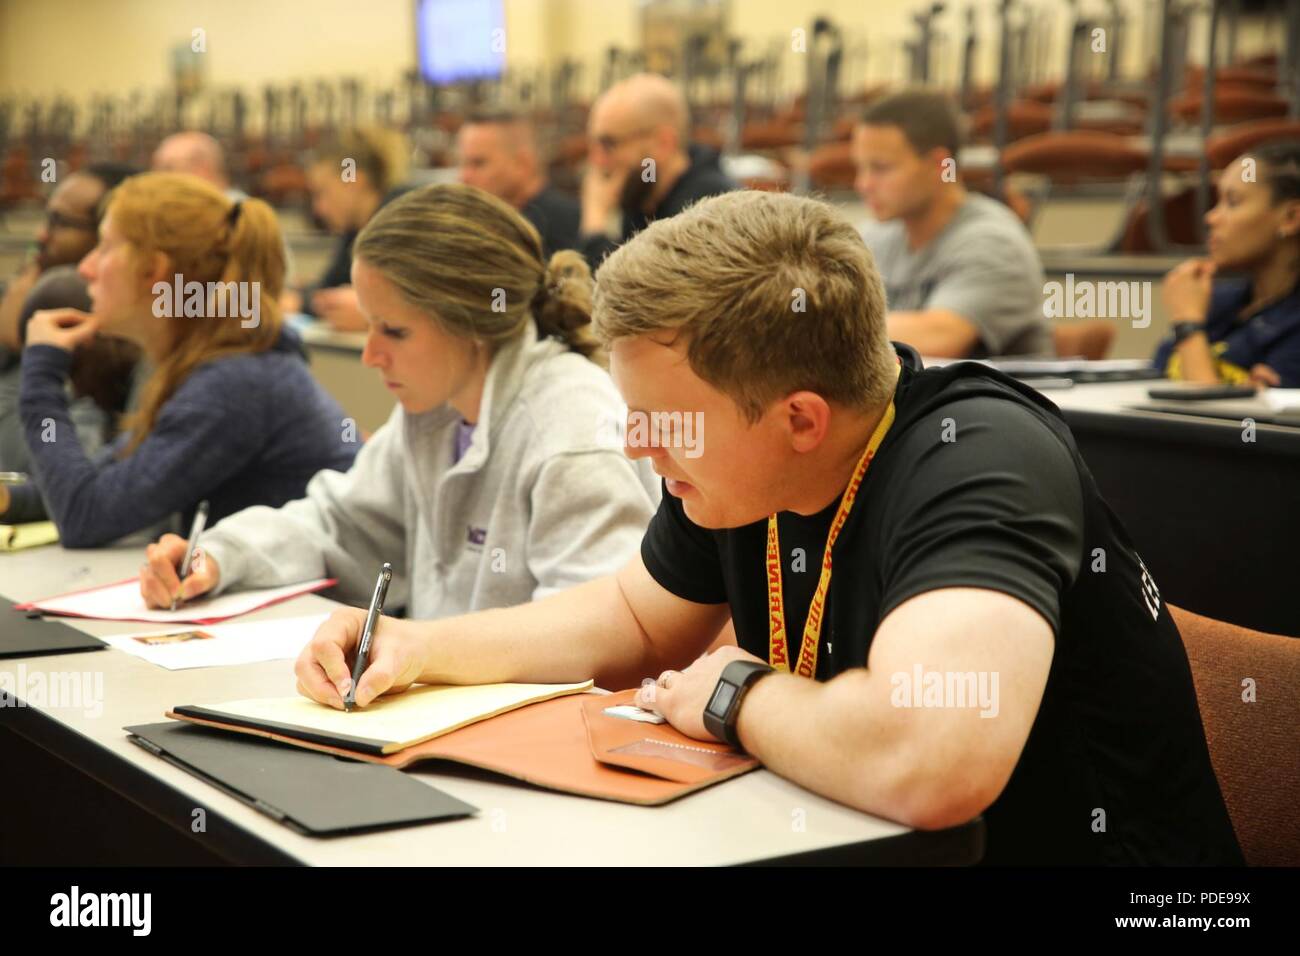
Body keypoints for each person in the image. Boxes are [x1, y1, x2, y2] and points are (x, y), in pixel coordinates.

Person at [293, 190, 1242, 866]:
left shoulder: (980, 457)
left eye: (663, 422)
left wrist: (735, 694)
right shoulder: (738, 469)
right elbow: (630, 620)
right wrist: (420, 646)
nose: (636, 444)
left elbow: (929, 762)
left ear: (798, 418)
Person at [139, 183, 658, 618]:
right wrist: (220, 556)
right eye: (368, 326)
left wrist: (424, 651)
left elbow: (594, 630)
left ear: (471, 322)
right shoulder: (436, 409)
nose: (370, 355)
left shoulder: (570, 433)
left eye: (393, 330)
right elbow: (338, 525)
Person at [0, 173, 358, 546]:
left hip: (330, 602)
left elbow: (86, 517)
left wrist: (41, 376)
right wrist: (8, 499)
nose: (86, 267)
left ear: (154, 270)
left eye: (105, 248)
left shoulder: (237, 381)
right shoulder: (211, 363)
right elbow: (107, 484)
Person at [854, 89, 1051, 358]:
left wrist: (824, 326)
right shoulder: (875, 236)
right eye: (860, 168)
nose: (863, 185)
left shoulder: (993, 242)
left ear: (939, 164)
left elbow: (940, 339)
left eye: (880, 168)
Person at [0, 162, 141, 476]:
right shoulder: (35, 290)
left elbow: (82, 480)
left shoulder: (133, 337)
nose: (42, 234)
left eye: (59, 222)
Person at [1154, 142, 1300, 387]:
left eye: (1232, 202)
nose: (1210, 217)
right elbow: (1153, 382)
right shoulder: (1217, 301)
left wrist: (1188, 323)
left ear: (1291, 217)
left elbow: (1209, 422)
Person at [577, 73, 736, 272]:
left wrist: (595, 222)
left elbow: (632, 295)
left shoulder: (708, 215)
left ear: (662, 144)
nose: (596, 160)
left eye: (609, 144)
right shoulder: (646, 185)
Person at [302, 131, 403, 331]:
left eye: (323, 192)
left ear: (353, 179)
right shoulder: (355, 232)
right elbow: (327, 289)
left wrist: (379, 312)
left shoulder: (404, 219)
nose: (319, 208)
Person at [457, 111, 580, 258]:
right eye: (462, 163)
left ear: (522, 164)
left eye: (478, 163)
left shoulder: (568, 228)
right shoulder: (483, 222)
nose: (464, 176)